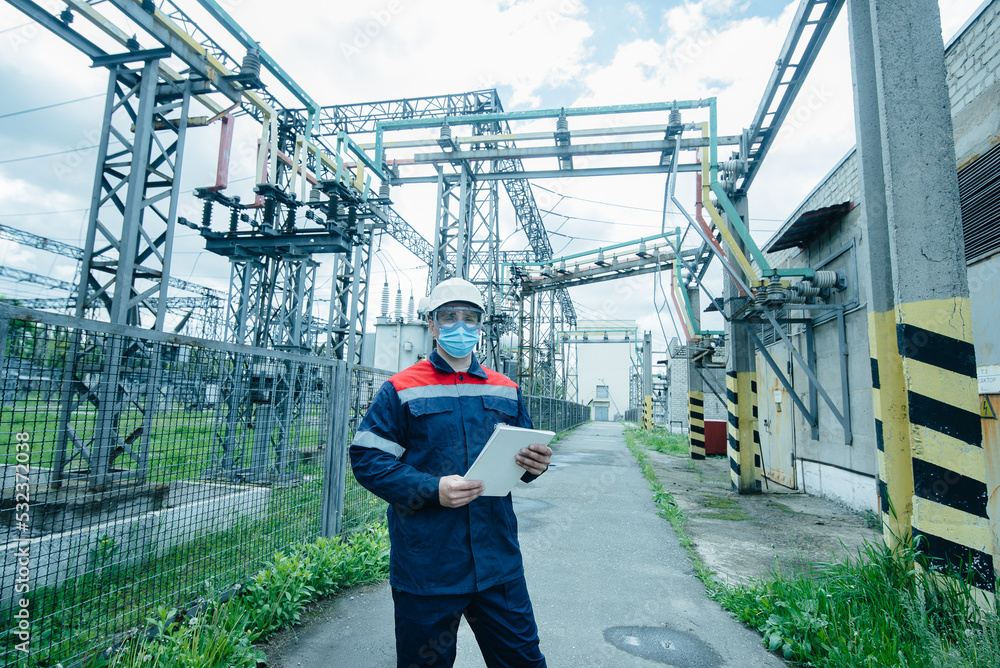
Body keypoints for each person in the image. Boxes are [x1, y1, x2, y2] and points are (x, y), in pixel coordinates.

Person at [350, 277, 552, 668]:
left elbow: (524, 458)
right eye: (449, 317)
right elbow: (368, 461)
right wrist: (431, 488)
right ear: (431, 324)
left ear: (480, 325)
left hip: (497, 564)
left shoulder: (505, 389)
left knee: (523, 662)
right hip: (428, 567)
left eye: (470, 318)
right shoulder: (400, 389)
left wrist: (536, 466)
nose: (461, 326)